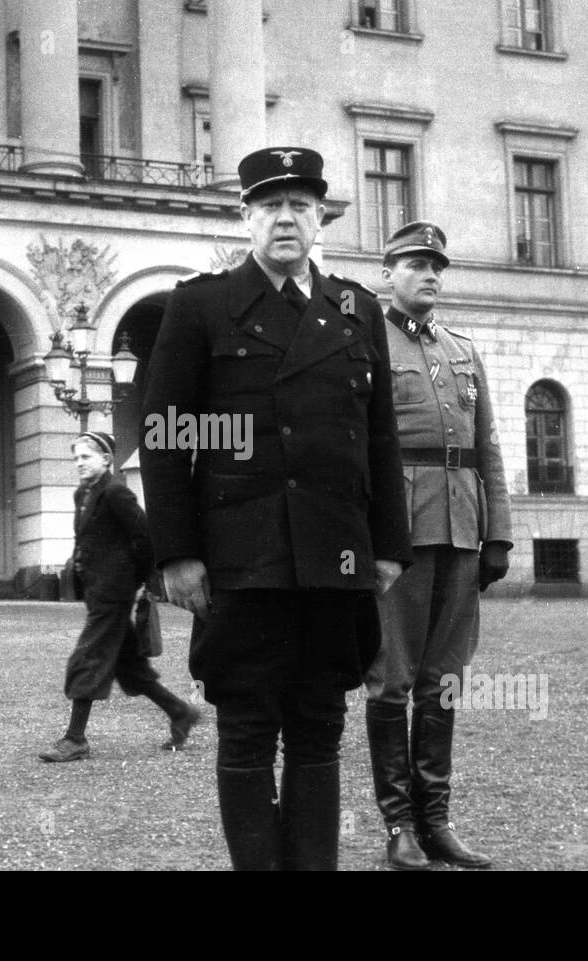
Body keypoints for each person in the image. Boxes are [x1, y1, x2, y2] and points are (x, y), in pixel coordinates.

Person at [139, 147, 412, 870]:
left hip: (336, 554)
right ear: (245, 219)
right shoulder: (200, 305)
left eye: (300, 206)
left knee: (322, 725)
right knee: (250, 727)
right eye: (269, 206)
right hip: (244, 556)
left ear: (321, 217)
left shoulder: (356, 308)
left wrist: (389, 543)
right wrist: (177, 551)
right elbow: (165, 436)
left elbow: (380, 434)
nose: (285, 219)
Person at [363, 221, 512, 870]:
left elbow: (489, 449)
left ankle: (438, 821)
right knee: (391, 681)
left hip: (461, 530)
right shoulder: (366, 343)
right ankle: (398, 826)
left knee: (444, 682)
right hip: (399, 534)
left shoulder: (462, 349)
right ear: (388, 271)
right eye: (416, 264)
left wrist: (497, 531)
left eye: (436, 266)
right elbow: (358, 451)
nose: (429, 274)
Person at [39, 431, 202, 762]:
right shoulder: (83, 495)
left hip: (114, 593)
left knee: (88, 657)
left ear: (106, 459)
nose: (79, 463)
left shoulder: (115, 493)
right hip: (98, 592)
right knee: (130, 667)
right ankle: (180, 712)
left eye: (86, 457)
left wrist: (143, 580)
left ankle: (75, 739)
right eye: (76, 458)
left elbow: (144, 535)